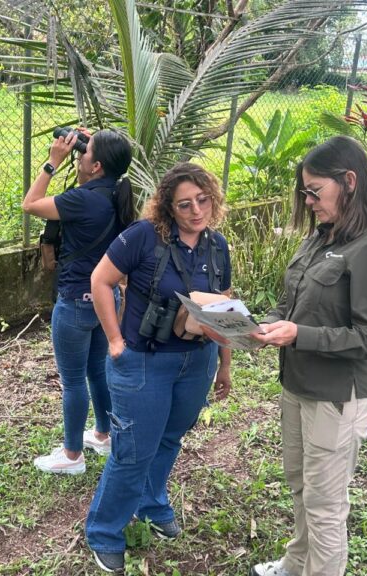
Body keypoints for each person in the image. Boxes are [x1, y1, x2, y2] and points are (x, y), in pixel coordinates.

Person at [248, 136, 367, 576]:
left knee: (325, 506)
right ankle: (296, 564)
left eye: (315, 190)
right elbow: (291, 302)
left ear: (349, 182)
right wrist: (262, 324)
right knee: (302, 488)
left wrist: (300, 334)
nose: (309, 200)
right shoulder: (320, 239)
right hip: (298, 386)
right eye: (305, 191)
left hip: (338, 398)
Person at [85, 162, 233, 572]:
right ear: (168, 206)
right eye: (184, 204)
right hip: (145, 362)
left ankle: (151, 504)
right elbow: (100, 281)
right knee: (132, 451)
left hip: (196, 361)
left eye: (202, 200)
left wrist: (225, 365)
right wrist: (115, 340)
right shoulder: (144, 237)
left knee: (170, 438)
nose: (195, 211)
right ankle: (105, 532)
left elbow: (222, 306)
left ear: (212, 198)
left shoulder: (216, 245)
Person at [21, 128, 135, 474]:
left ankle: (72, 455)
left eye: (85, 152)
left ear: (96, 165)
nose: (78, 153)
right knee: (97, 371)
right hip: (106, 301)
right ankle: (104, 434)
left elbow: (30, 204)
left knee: (72, 381)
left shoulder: (81, 199)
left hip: (74, 301)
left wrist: (52, 162)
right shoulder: (117, 193)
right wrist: (97, 142)